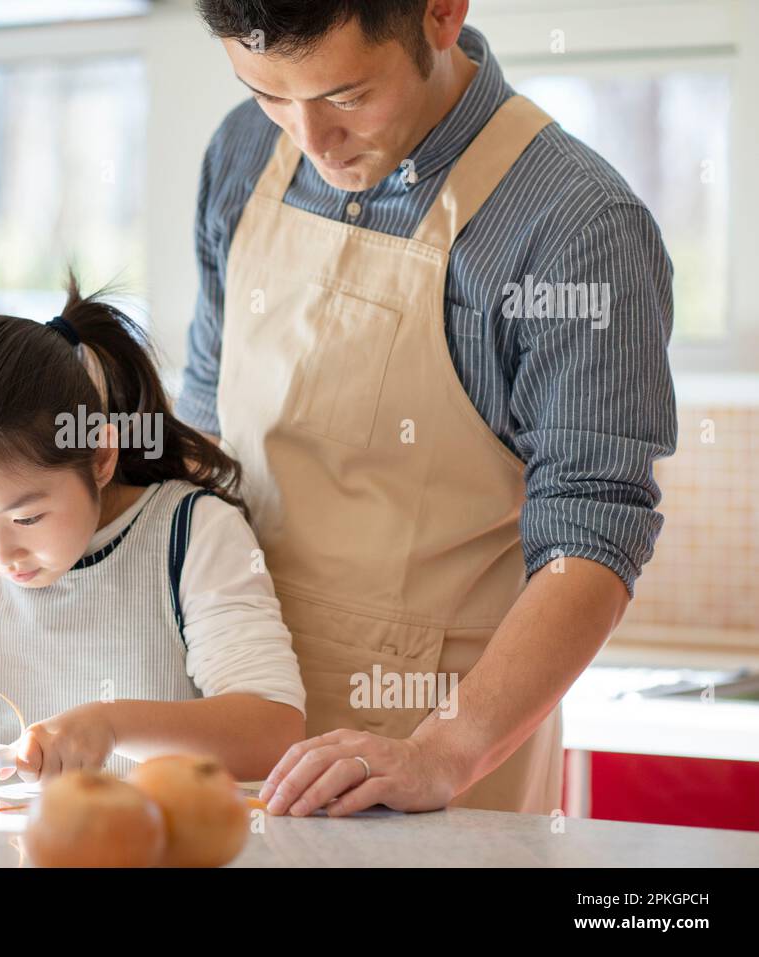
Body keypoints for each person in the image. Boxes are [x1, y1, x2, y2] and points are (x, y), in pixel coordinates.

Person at [179, 0, 676, 815]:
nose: (309, 139)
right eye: (267, 92)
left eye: (344, 97)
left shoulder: (576, 226)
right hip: (226, 732)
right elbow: (202, 431)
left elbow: (594, 533)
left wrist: (440, 754)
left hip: (429, 768)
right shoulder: (240, 150)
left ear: (441, 13)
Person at [0, 272, 306, 792]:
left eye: (26, 518)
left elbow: (274, 731)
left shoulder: (194, 533)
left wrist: (111, 725)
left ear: (100, 456)